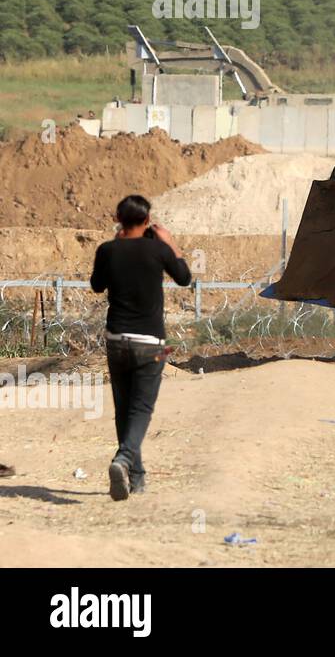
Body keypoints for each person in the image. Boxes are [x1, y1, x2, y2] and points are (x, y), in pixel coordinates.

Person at [90, 195, 191, 500]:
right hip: (151, 344)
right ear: (147, 220)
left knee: (124, 409)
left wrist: (115, 246)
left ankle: (136, 477)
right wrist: (170, 243)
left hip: (117, 341)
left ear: (117, 219)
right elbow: (184, 278)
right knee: (142, 408)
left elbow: (97, 285)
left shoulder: (107, 250)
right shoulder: (158, 250)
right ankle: (124, 461)